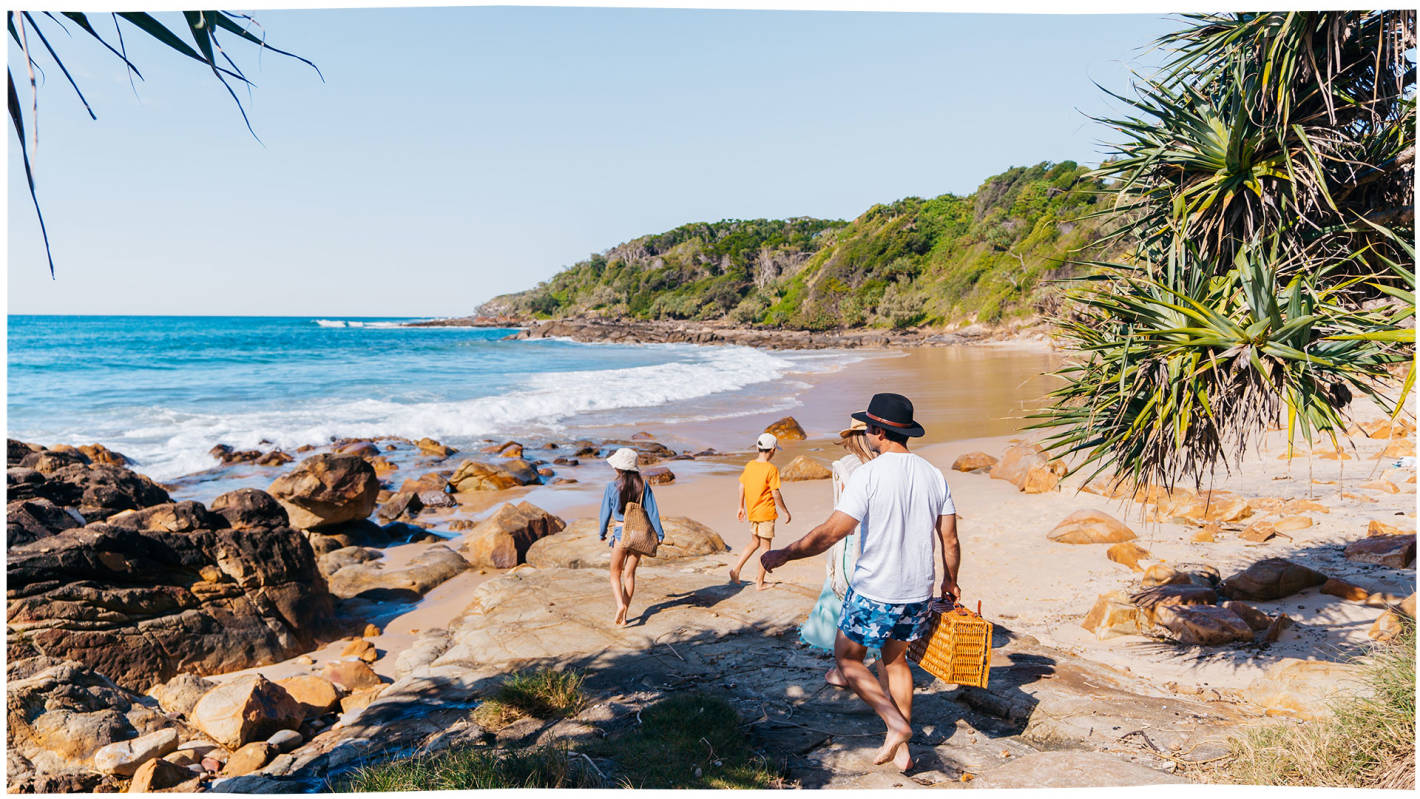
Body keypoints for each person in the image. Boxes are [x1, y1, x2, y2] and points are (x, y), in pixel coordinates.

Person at [761, 393, 959, 772]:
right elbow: (949, 539)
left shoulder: (868, 474)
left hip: (874, 589)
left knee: (848, 659)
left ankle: (895, 723)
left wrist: (785, 553)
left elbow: (832, 532)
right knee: (896, 661)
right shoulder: (933, 474)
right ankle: (902, 749)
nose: (867, 432)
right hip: (918, 590)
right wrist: (950, 580)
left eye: (869, 426)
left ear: (879, 432)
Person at [799, 418, 879, 687]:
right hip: (878, 543)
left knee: (845, 602)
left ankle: (846, 670)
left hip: (850, 541)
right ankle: (875, 671)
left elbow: (842, 510)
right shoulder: (883, 464)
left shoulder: (846, 466)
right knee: (876, 611)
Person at [597, 447, 665, 627]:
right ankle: (625, 615)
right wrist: (659, 534)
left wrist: (602, 533)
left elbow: (605, 513)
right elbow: (653, 511)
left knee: (614, 574)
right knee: (629, 574)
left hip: (621, 535)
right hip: (639, 535)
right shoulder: (643, 486)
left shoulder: (611, 486)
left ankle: (620, 606)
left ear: (619, 468)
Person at [730, 432, 791, 590]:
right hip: (766, 513)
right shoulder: (771, 469)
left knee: (755, 542)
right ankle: (760, 582)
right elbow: (775, 493)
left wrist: (740, 506)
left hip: (753, 512)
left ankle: (736, 570)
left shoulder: (750, 465)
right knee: (765, 548)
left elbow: (741, 485)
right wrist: (785, 511)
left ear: (758, 448)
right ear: (773, 450)